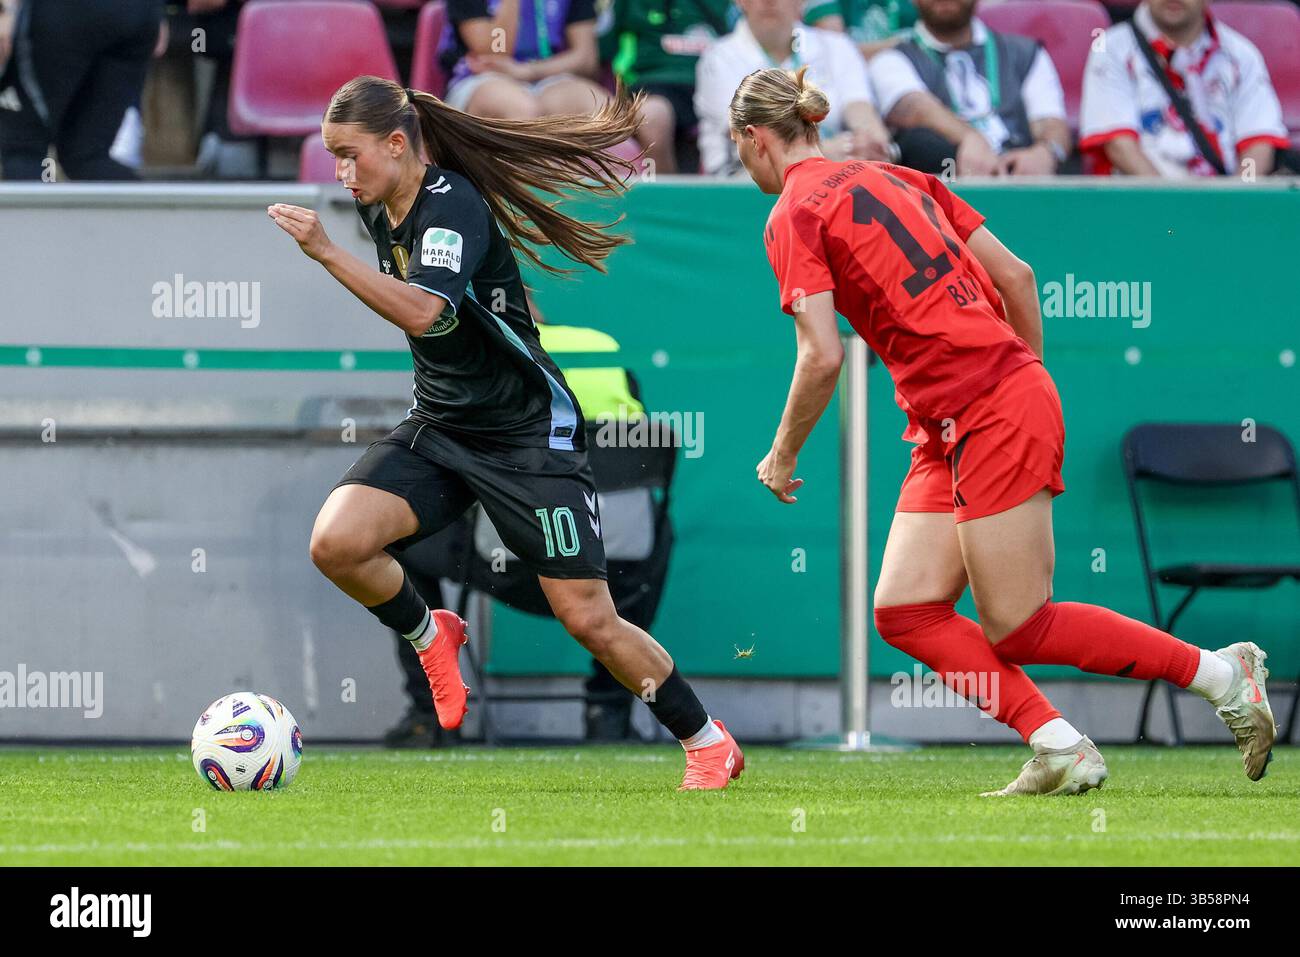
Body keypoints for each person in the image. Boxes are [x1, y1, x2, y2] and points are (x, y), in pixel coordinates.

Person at [731, 65, 1276, 795]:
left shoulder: (791, 211)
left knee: (1019, 624)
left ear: (753, 138)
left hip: (985, 406)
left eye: (738, 146)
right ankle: (1058, 744)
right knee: (907, 609)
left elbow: (821, 353)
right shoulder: (896, 175)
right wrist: (1026, 380)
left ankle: (1221, 673)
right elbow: (1017, 276)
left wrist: (781, 452)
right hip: (962, 411)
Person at [267, 75, 741, 790]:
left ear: (397, 146)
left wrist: (328, 253)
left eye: (349, 154)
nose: (340, 172)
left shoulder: (451, 204)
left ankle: (707, 740)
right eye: (334, 156)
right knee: (337, 542)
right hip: (443, 424)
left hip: (526, 439)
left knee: (589, 620)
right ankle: (434, 631)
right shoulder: (381, 205)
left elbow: (426, 312)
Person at [1079, 0, 1289, 178]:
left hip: (1222, 206)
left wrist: (1234, 205)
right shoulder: (1110, 47)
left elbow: (1259, 143)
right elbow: (1120, 147)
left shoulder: (1242, 54)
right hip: (1141, 208)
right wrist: (1175, 210)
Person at [867, 0, 1070, 177]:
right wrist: (970, 138)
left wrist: (1046, 152)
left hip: (1021, 182)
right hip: (947, 189)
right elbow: (915, 108)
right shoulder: (891, 59)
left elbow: (1051, 120)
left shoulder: (1026, 53)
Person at [695, 0, 891, 177]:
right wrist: (824, 151)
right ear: (740, 2)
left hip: (834, 174)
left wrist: (869, 144)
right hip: (746, 182)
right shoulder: (718, 59)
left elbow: (860, 108)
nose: (769, 2)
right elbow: (755, 140)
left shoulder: (837, 46)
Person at [0, 0, 164, 180]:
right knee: (86, 155)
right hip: (138, 12)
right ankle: (169, 207)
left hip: (62, 11)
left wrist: (6, 9)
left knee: (23, 146)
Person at [598, 0, 739, 172]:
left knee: (748, 116)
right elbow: (601, 50)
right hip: (653, 85)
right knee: (652, 117)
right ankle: (667, 197)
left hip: (718, 82)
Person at [439, 0, 608, 119]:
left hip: (546, 76)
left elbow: (586, 59)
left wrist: (528, 72)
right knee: (522, 110)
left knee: (604, 108)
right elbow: (495, 53)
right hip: (481, 78)